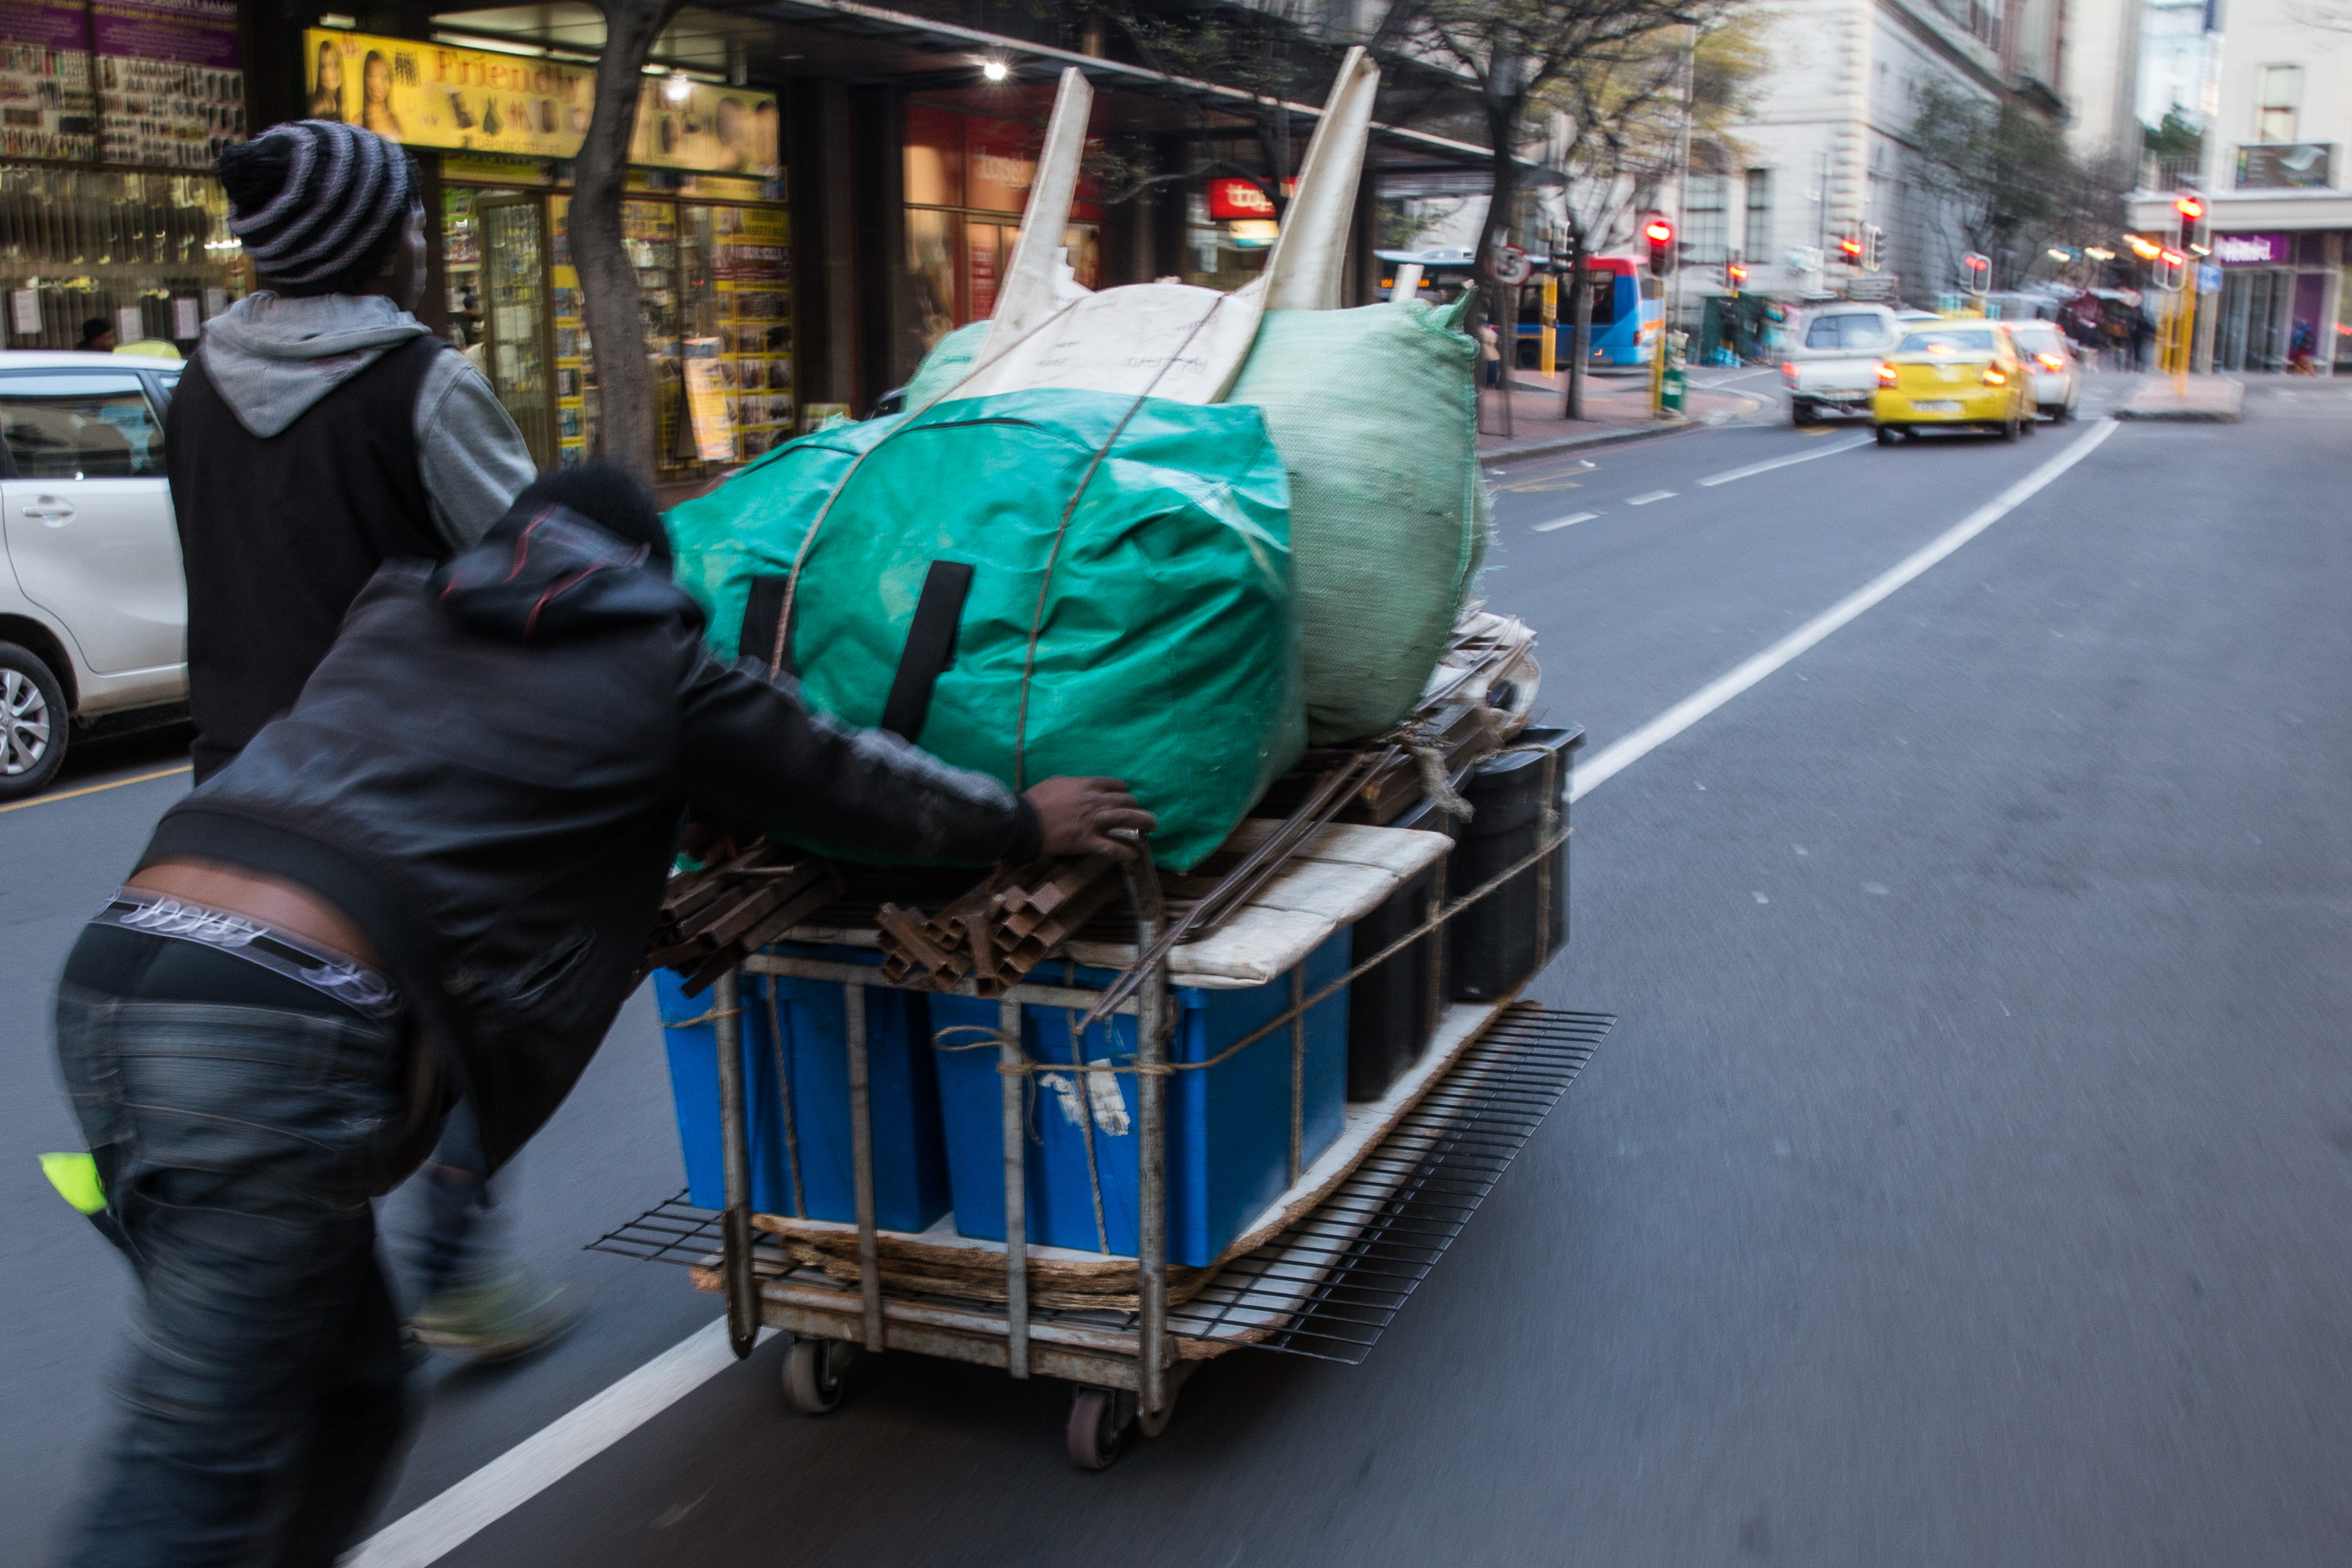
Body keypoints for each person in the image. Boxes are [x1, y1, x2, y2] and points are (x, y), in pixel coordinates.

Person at [51, 463, 1154, 1566]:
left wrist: (682, 791)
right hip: (274, 1031)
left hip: (122, 973)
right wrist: (1021, 819)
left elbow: (473, 769)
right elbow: (845, 777)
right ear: (640, 572)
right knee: (194, 1468)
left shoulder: (395, 618)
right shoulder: (654, 658)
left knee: (349, 1391)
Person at [174, 118, 552, 1360]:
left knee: (295, 1043)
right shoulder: (420, 383)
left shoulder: (196, 386)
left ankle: (312, 1316)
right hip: (403, 781)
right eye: (411, 220)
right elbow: (538, 568)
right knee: (487, 1014)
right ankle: (452, 1272)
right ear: (376, 245)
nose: (423, 242)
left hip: (234, 774)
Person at [361, 50, 404, 138]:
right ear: (365, 79)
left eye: (385, 77)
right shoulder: (358, 120)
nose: (378, 84)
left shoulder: (398, 120)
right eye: (372, 76)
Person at [307, 39, 344, 120]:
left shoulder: (339, 105)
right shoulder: (314, 107)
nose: (334, 70)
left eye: (336, 63)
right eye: (324, 66)